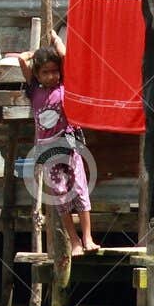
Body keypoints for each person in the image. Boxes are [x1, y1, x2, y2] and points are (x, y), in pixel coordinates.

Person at [16, 33, 98, 255]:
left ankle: (88, 237)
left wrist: (55, 40)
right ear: (37, 74)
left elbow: (64, 56)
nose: (51, 76)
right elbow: (22, 60)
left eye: (54, 71)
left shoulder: (64, 86)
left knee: (79, 189)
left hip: (68, 145)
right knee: (61, 196)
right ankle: (75, 242)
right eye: (45, 72)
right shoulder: (34, 90)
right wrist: (35, 54)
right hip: (47, 151)